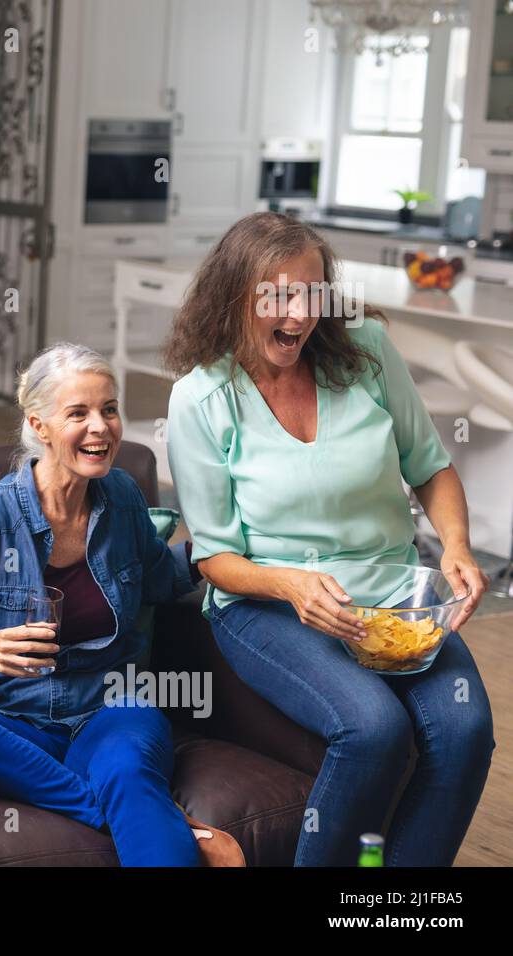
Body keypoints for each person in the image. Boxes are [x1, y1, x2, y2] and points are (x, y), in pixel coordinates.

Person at [165, 211, 494, 866]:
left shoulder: (367, 351)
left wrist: (456, 545)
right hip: (265, 605)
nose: (299, 313)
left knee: (466, 729)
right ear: (236, 299)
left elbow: (430, 467)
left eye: (311, 293)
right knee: (372, 729)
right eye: (279, 296)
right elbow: (215, 557)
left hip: (395, 599)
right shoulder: (200, 400)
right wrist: (290, 582)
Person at [0, 344, 241, 867]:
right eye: (79, 413)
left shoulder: (122, 497)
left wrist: (229, 541)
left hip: (109, 708)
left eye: (109, 409)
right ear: (39, 425)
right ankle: (152, 818)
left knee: (129, 768)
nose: (101, 427)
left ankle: (119, 797)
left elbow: (159, 578)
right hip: (9, 717)